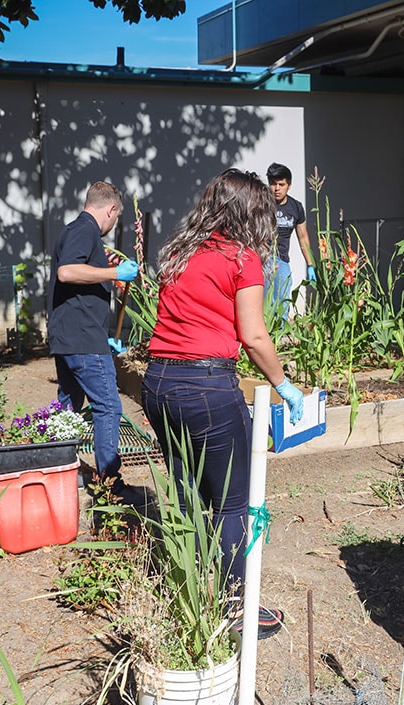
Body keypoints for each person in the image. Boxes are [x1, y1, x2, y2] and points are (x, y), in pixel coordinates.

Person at [140, 168, 305, 640]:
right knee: (233, 504)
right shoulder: (241, 259)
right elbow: (253, 336)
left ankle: (191, 594)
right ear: (248, 213)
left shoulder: (178, 251)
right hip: (207, 387)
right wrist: (283, 384)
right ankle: (236, 610)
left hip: (158, 384)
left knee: (189, 492)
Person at [48, 180, 139, 486]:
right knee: (108, 406)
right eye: (116, 217)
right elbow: (67, 271)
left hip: (73, 336)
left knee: (69, 406)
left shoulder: (73, 229)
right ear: (111, 209)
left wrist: (104, 339)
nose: (113, 224)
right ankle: (110, 483)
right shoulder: (85, 230)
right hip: (82, 338)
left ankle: (58, 467)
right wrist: (115, 272)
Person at [265, 162, 315, 316]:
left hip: (282, 259)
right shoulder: (261, 204)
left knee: (283, 299)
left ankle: (279, 335)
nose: (277, 188)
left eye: (281, 184)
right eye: (273, 184)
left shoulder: (296, 207)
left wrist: (310, 264)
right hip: (262, 259)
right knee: (264, 301)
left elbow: (302, 236)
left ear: (289, 185)